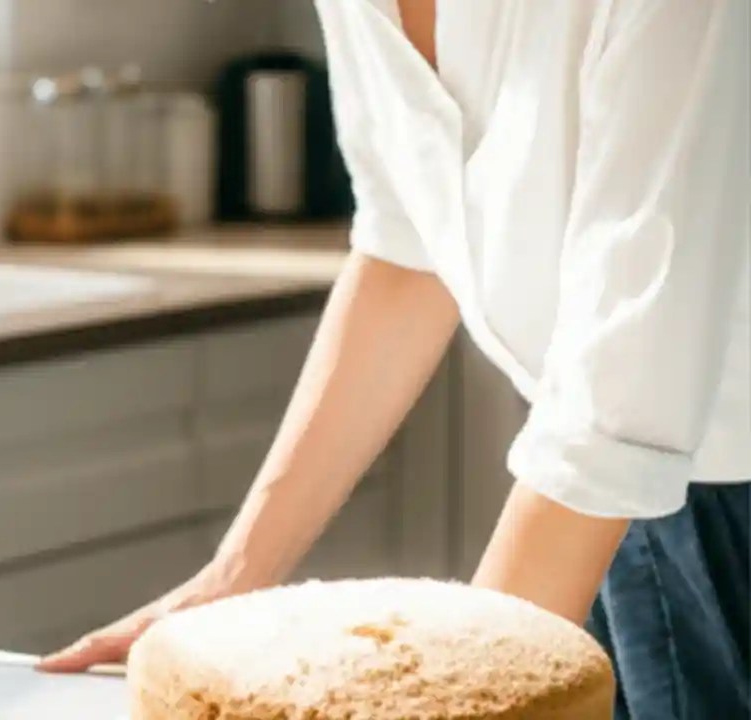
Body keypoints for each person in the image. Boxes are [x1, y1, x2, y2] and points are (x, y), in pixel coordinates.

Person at [39, 1, 750, 717]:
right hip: (594, 501)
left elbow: (623, 393)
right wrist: (230, 580)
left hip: (671, 483)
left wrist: (466, 682)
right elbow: (408, 246)